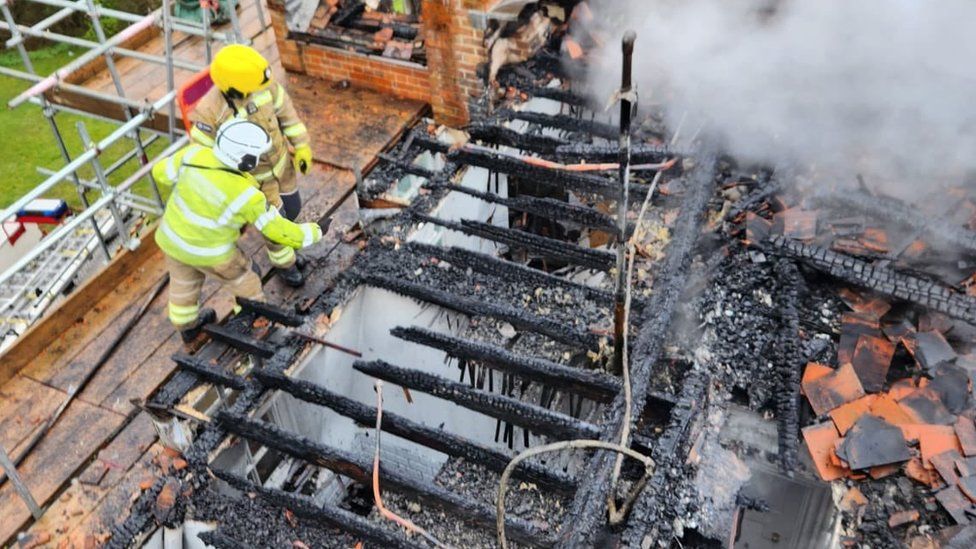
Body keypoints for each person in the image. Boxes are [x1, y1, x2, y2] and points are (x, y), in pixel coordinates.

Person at [153, 119, 324, 348]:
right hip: (213, 254)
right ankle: (249, 320)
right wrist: (314, 231)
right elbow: (278, 231)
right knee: (245, 279)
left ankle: (188, 327)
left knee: (183, 283)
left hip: (172, 240)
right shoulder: (246, 194)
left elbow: (159, 173)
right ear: (245, 159)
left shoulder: (192, 155)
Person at [189, 44, 313, 287]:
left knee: (292, 209)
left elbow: (288, 117)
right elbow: (203, 158)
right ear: (234, 89)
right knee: (274, 224)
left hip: (283, 169)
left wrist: (302, 146)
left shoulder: (262, 84)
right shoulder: (210, 114)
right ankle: (285, 265)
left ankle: (290, 247)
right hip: (256, 184)